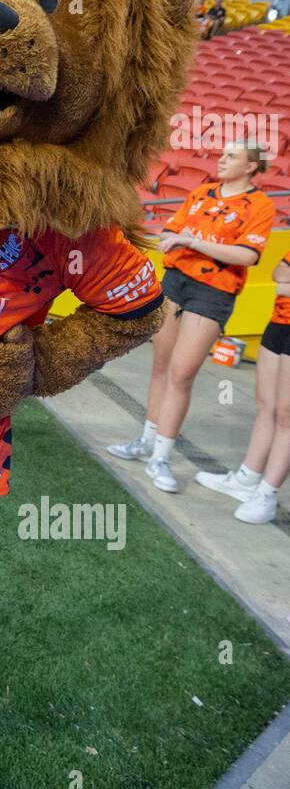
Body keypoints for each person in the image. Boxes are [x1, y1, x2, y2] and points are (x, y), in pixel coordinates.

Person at [108, 143, 275, 492]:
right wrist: (179, 239)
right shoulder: (201, 193)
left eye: (232, 157)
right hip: (175, 281)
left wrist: (191, 242)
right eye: (224, 154)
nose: (223, 160)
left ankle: (162, 457)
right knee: (161, 366)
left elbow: (245, 256)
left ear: (250, 167)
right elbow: (170, 233)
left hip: (212, 292)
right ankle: (147, 441)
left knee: (182, 374)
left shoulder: (260, 205)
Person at [195, 253, 290, 525]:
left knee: (286, 415)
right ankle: (247, 478)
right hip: (280, 320)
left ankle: (267, 495)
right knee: (266, 406)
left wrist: (285, 283)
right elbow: (278, 274)